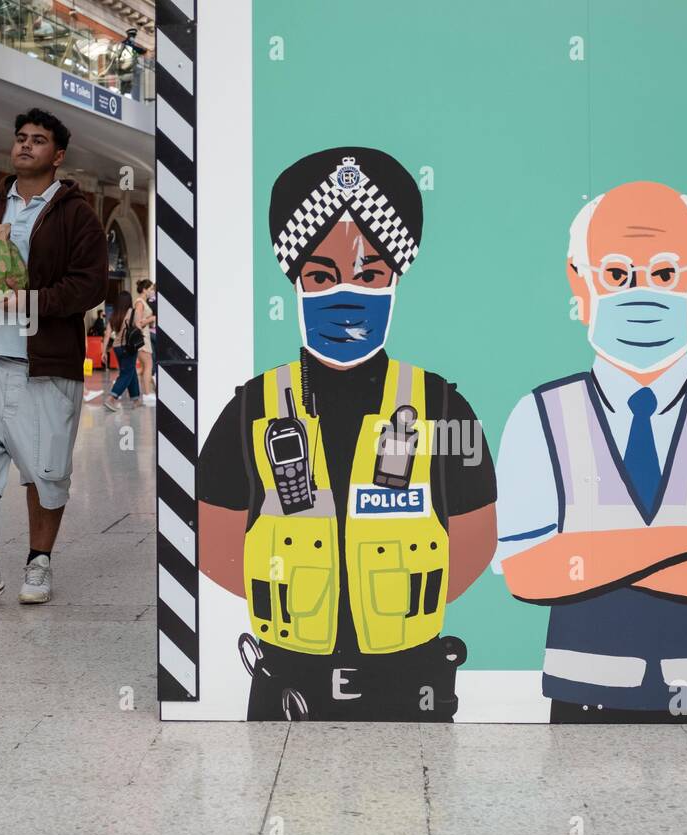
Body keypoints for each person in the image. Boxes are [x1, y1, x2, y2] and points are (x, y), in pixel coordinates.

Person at [197, 147, 498, 721]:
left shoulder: (440, 405)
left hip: (412, 678)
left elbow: (476, 537)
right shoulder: (251, 408)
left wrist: (395, 613)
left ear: (394, 281)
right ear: (296, 284)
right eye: (321, 275)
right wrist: (300, 608)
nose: (346, 295)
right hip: (289, 678)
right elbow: (213, 543)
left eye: (370, 275)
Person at [493, 182, 687, 723]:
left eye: (664, 274)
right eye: (616, 274)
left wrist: (590, 559)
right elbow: (527, 571)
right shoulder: (542, 416)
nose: (642, 294)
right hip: (588, 696)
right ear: (578, 283)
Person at [0, 107, 107, 612]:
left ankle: (39, 559)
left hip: (45, 365)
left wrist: (31, 301)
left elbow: (90, 283)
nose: (26, 145)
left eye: (39, 140)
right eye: (21, 138)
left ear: (59, 154)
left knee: (46, 470)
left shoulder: (77, 214)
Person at [97, 292, 141, 410]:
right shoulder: (133, 312)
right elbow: (138, 327)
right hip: (129, 347)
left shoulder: (114, 314)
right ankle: (111, 398)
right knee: (126, 373)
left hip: (117, 347)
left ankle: (136, 400)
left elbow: (107, 334)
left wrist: (104, 352)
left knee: (131, 372)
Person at [133, 277, 156, 406]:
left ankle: (146, 392)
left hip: (145, 335)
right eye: (151, 289)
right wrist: (151, 318)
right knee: (148, 365)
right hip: (143, 337)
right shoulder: (140, 302)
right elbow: (137, 322)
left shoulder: (143, 301)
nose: (152, 291)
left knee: (144, 367)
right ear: (145, 289)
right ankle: (147, 394)